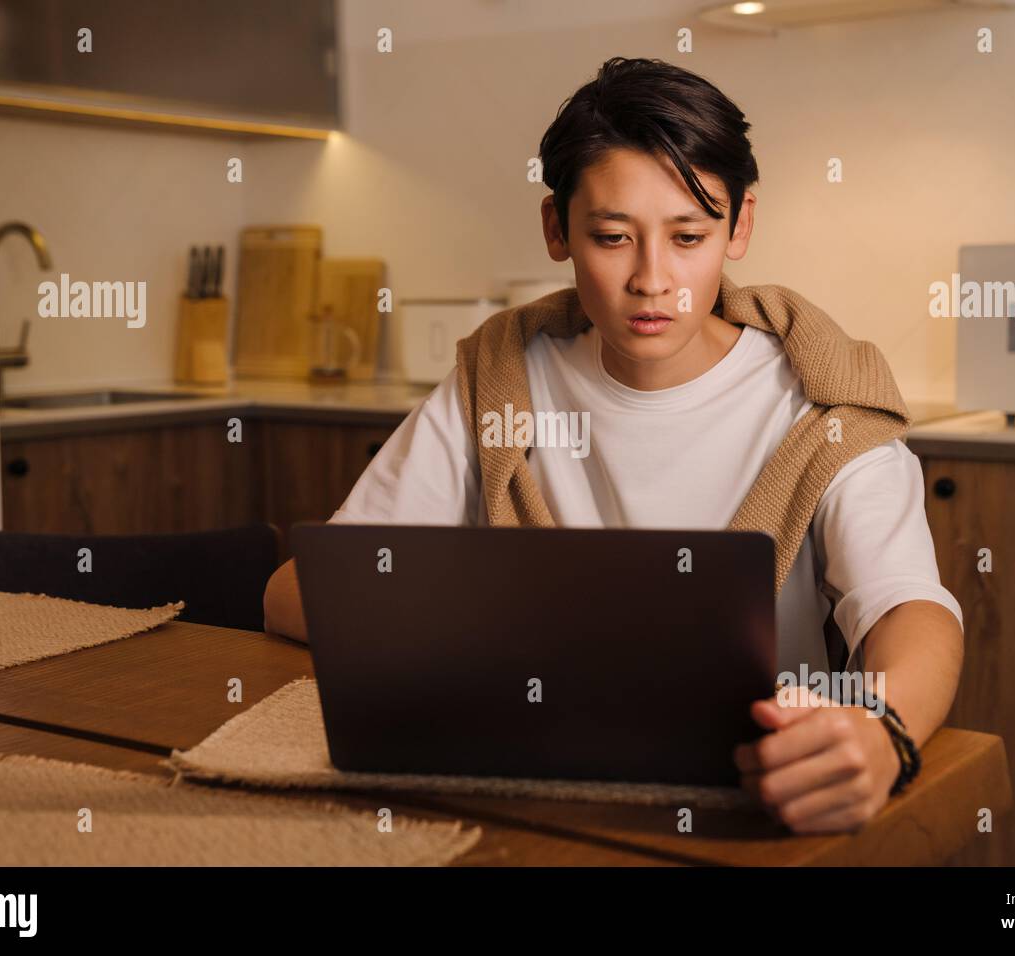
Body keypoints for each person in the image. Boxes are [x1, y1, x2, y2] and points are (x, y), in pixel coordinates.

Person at [265, 56, 963, 834]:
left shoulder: (819, 400)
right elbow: (299, 592)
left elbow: (909, 608)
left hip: (749, 801)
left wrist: (883, 730)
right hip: (527, 799)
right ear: (556, 229)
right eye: (612, 236)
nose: (652, 279)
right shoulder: (500, 375)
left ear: (741, 226)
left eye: (689, 236)